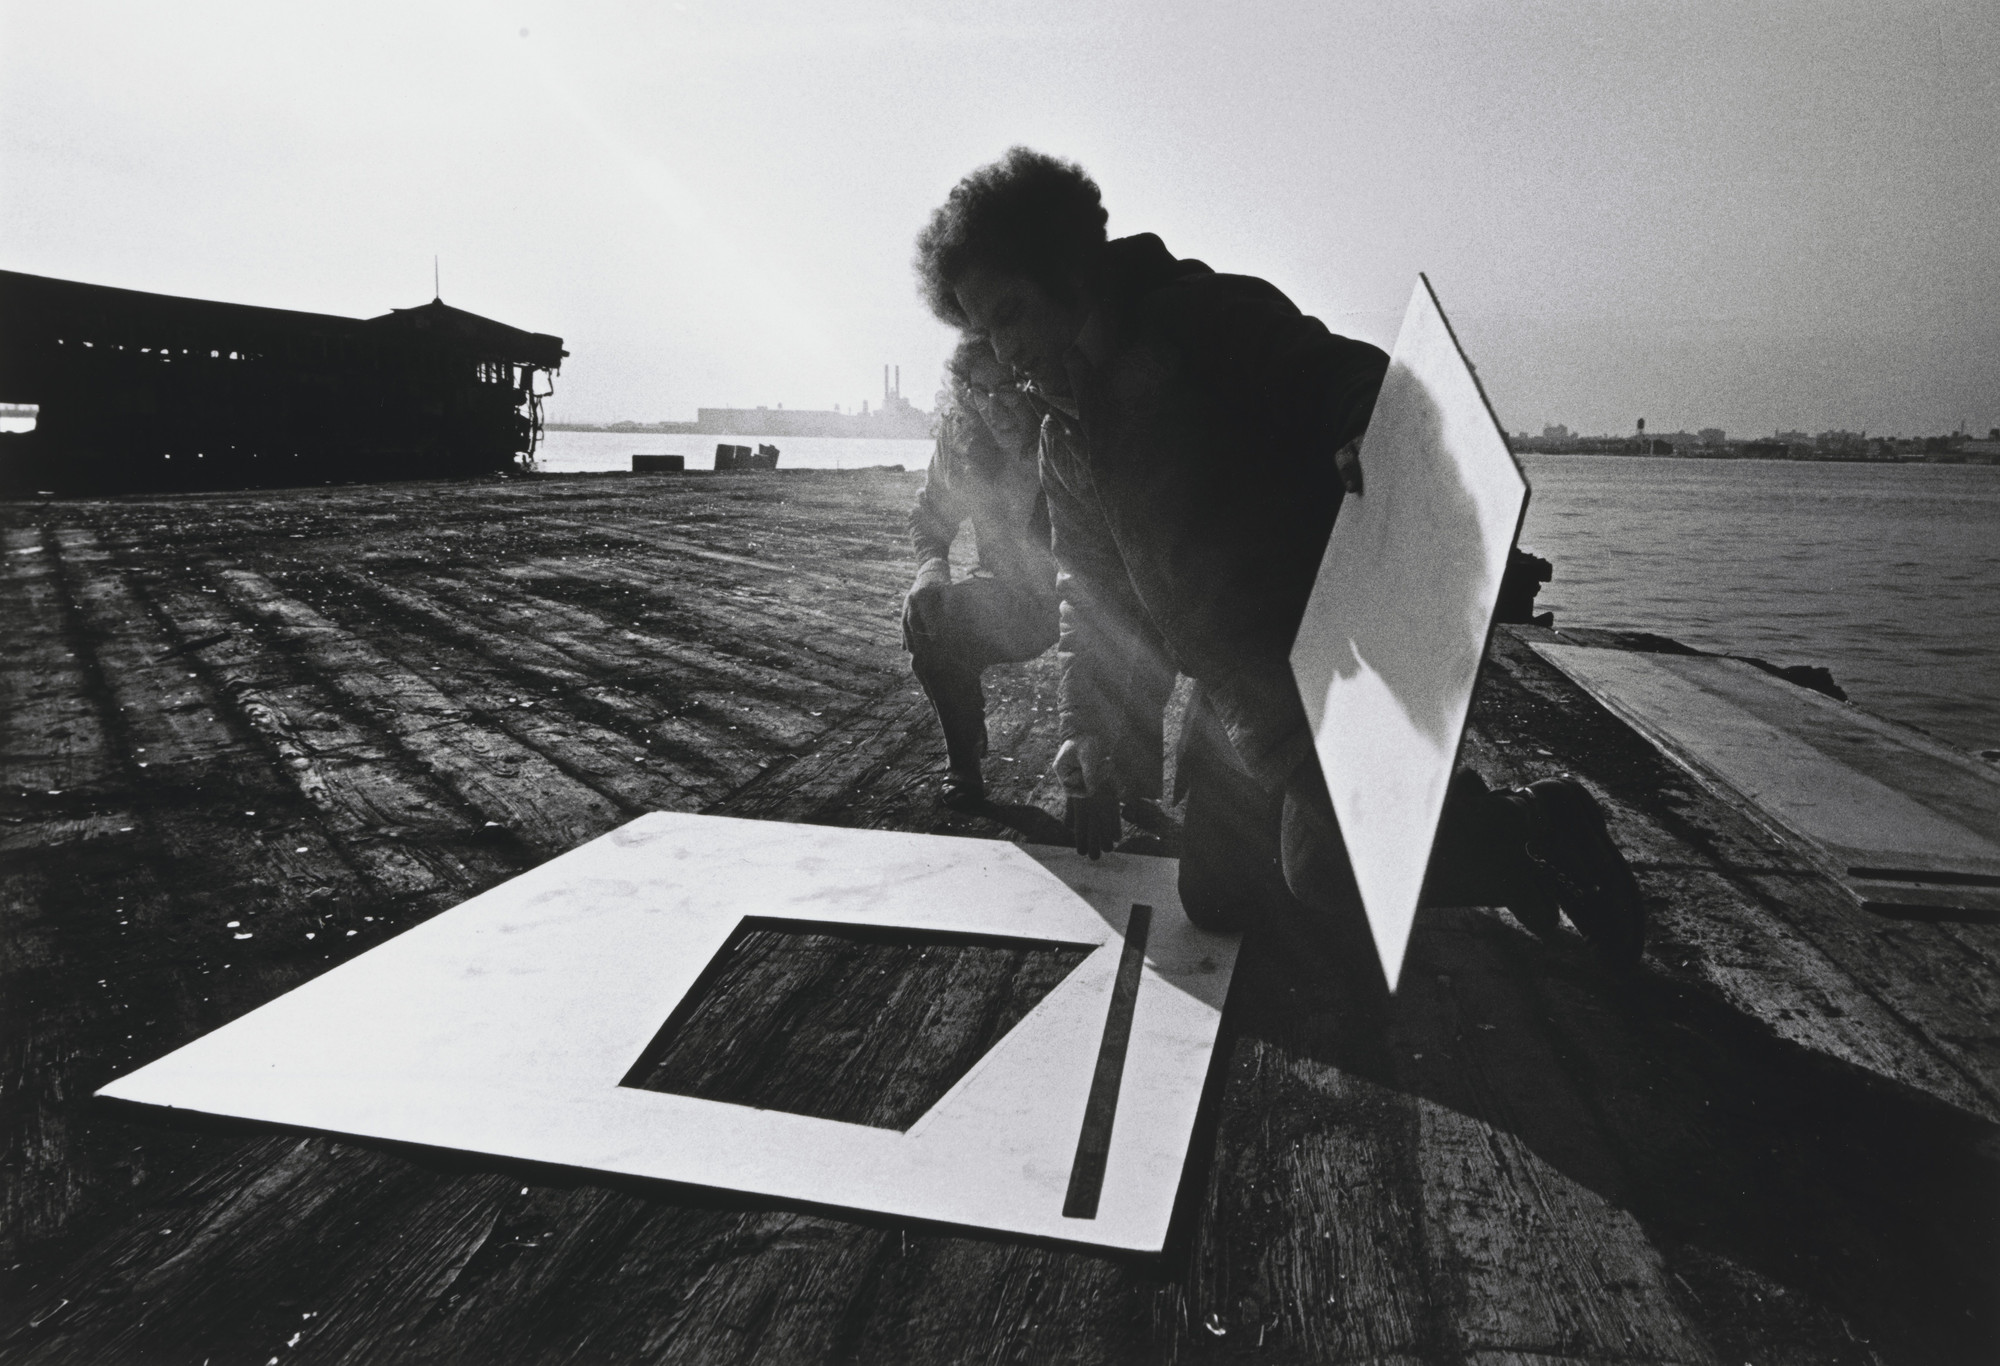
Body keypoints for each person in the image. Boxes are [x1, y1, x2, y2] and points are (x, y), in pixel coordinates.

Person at [913, 147, 1645, 965]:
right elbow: (1091, 594)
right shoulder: (1064, 438)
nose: (1003, 350)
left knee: (1321, 873)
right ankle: (1398, 827)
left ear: (1067, 269)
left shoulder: (1205, 318)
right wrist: (1087, 728)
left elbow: (1353, 378)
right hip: (1244, 691)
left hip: (1339, 647)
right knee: (1217, 895)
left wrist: (1370, 438)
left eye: (1010, 313)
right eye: (984, 329)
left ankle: (1537, 824)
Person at [904, 337, 1174, 818]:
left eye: (1006, 386)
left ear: (1033, 380)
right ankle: (963, 760)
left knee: (1140, 633)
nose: (993, 408)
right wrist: (931, 569)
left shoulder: (1075, 435)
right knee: (928, 617)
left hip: (1098, 593)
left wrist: (1087, 733)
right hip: (1012, 598)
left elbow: (1105, 580)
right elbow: (929, 516)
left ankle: (1132, 783)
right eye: (976, 390)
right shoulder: (961, 436)